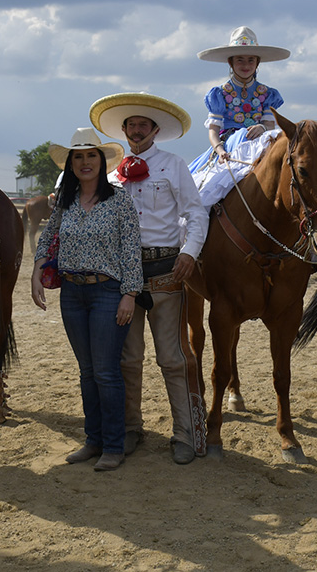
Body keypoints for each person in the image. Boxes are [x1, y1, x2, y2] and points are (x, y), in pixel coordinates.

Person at [91, 92, 209, 465]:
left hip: (166, 271)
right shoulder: (110, 176)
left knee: (173, 356)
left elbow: (196, 213)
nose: (137, 130)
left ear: (155, 130)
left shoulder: (173, 166)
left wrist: (189, 252)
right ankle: (130, 429)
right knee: (128, 357)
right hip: (122, 277)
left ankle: (186, 434)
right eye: (131, 125)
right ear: (124, 131)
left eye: (144, 124)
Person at [30, 127, 143, 472]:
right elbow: (49, 235)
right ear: (72, 162)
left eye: (90, 155)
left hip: (108, 292)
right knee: (87, 371)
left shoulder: (120, 199)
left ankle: (113, 445)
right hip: (73, 292)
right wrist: (36, 270)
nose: (84, 162)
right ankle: (93, 441)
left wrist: (129, 294)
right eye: (78, 156)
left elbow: (131, 248)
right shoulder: (66, 200)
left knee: (107, 372)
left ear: (101, 160)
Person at [188, 26, 289, 208]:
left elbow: (269, 125)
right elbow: (213, 131)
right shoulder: (219, 93)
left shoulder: (267, 94)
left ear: (257, 63)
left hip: (258, 141)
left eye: (251, 60)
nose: (245, 65)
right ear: (230, 62)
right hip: (229, 145)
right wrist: (220, 151)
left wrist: (263, 128)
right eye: (240, 60)